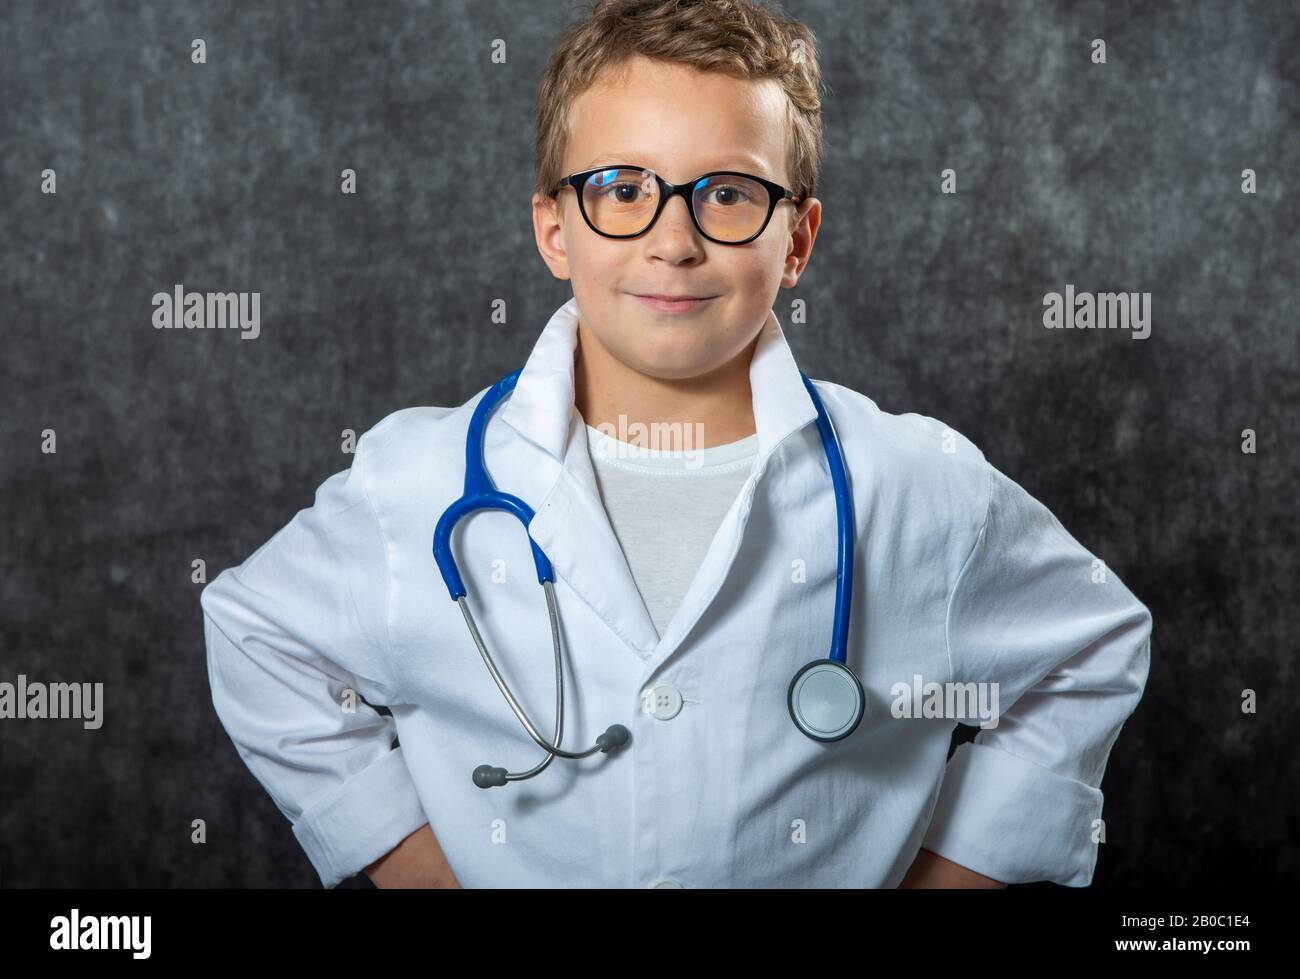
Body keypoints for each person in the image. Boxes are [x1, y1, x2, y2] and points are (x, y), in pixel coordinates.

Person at [201, 0, 1152, 889]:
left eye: (729, 193)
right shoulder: (419, 479)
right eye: (622, 189)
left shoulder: (913, 486)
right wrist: (407, 860)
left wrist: (959, 868)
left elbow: (1094, 642)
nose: (673, 240)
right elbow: (254, 631)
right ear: (554, 230)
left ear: (798, 239)